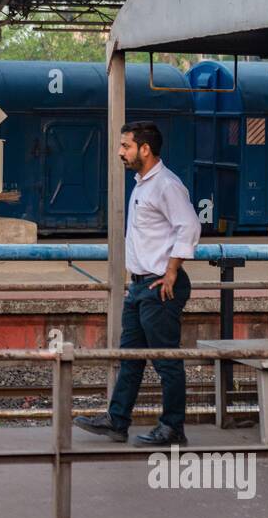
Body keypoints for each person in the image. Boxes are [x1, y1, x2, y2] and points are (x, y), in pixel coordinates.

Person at [75, 121, 200, 445]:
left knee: (166, 360)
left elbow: (188, 226)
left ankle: (173, 428)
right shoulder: (143, 183)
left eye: (125, 146)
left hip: (160, 285)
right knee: (130, 357)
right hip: (140, 286)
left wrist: (171, 271)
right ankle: (117, 420)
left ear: (145, 149)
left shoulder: (166, 185)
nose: (120, 152)